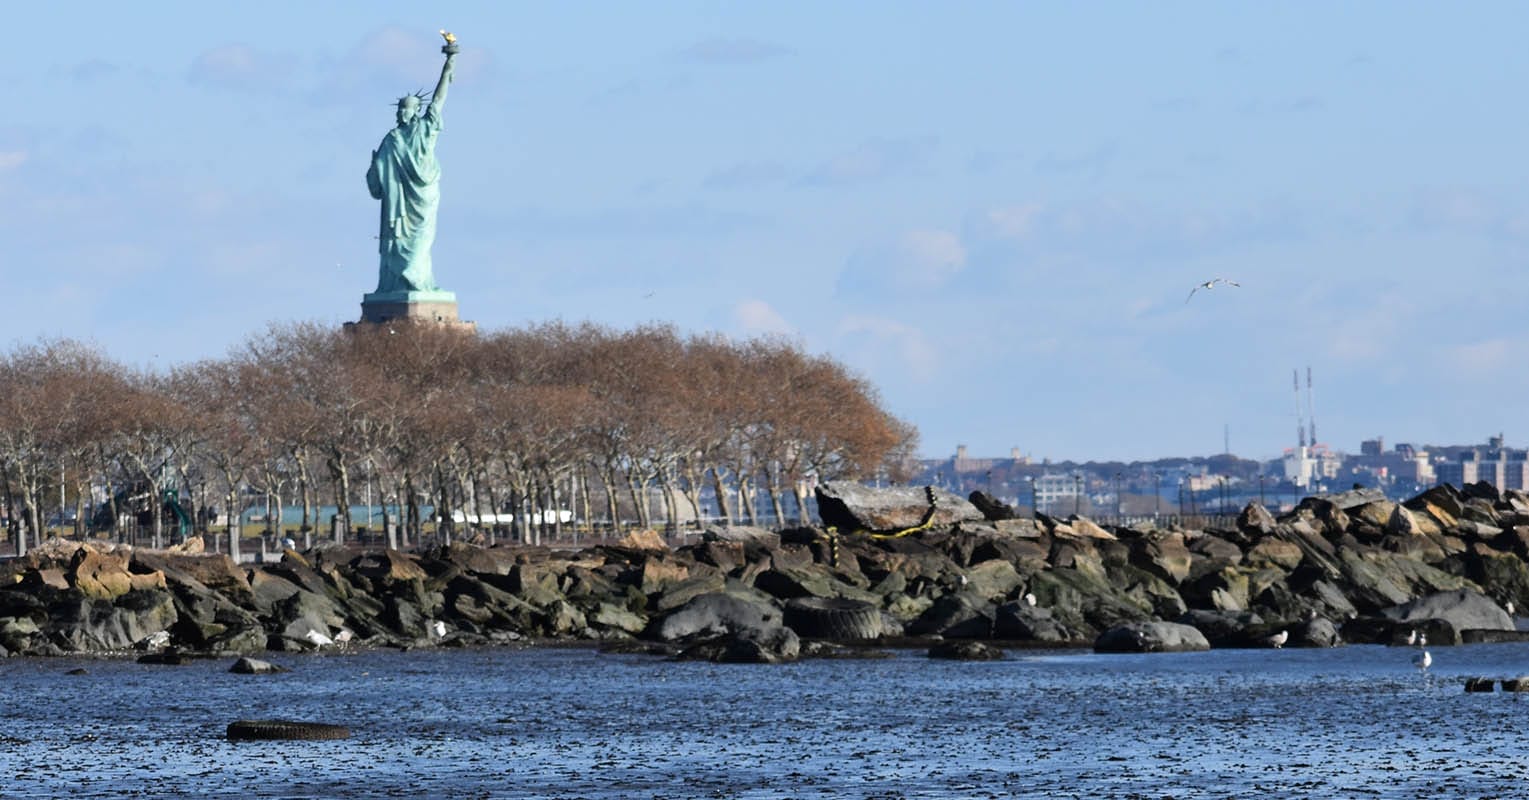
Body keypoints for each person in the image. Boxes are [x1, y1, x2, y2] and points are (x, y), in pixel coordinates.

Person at [366, 42, 457, 295]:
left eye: (405, 108)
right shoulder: (391, 139)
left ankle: (420, 285)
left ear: (416, 110)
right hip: (398, 204)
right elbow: (377, 185)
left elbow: (439, 99)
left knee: (419, 247)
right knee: (395, 248)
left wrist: (449, 64)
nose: (401, 113)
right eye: (399, 109)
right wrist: (375, 167)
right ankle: (395, 288)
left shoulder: (426, 129)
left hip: (423, 196)